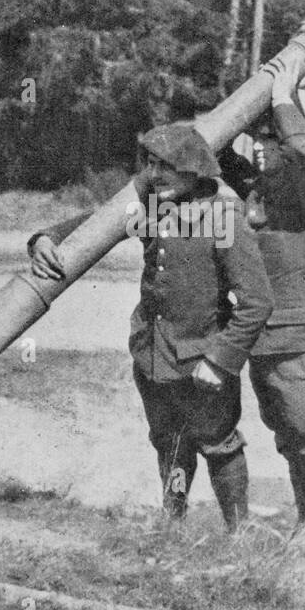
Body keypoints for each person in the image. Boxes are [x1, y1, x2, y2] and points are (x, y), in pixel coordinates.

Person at [29, 123, 272, 531]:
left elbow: (257, 302)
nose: (155, 175)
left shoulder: (224, 217)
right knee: (170, 441)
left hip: (202, 362)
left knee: (219, 444)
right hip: (153, 354)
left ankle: (239, 534)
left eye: (167, 167)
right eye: (152, 164)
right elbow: (99, 221)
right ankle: (172, 525)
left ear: (194, 170)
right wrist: (47, 237)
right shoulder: (155, 207)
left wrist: (219, 361)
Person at [217, 63, 305, 547]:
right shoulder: (262, 193)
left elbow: (301, 151)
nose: (259, 150)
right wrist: (247, 110)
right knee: (291, 439)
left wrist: (283, 94)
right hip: (266, 342)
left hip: (299, 343)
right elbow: (213, 152)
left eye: (268, 142)